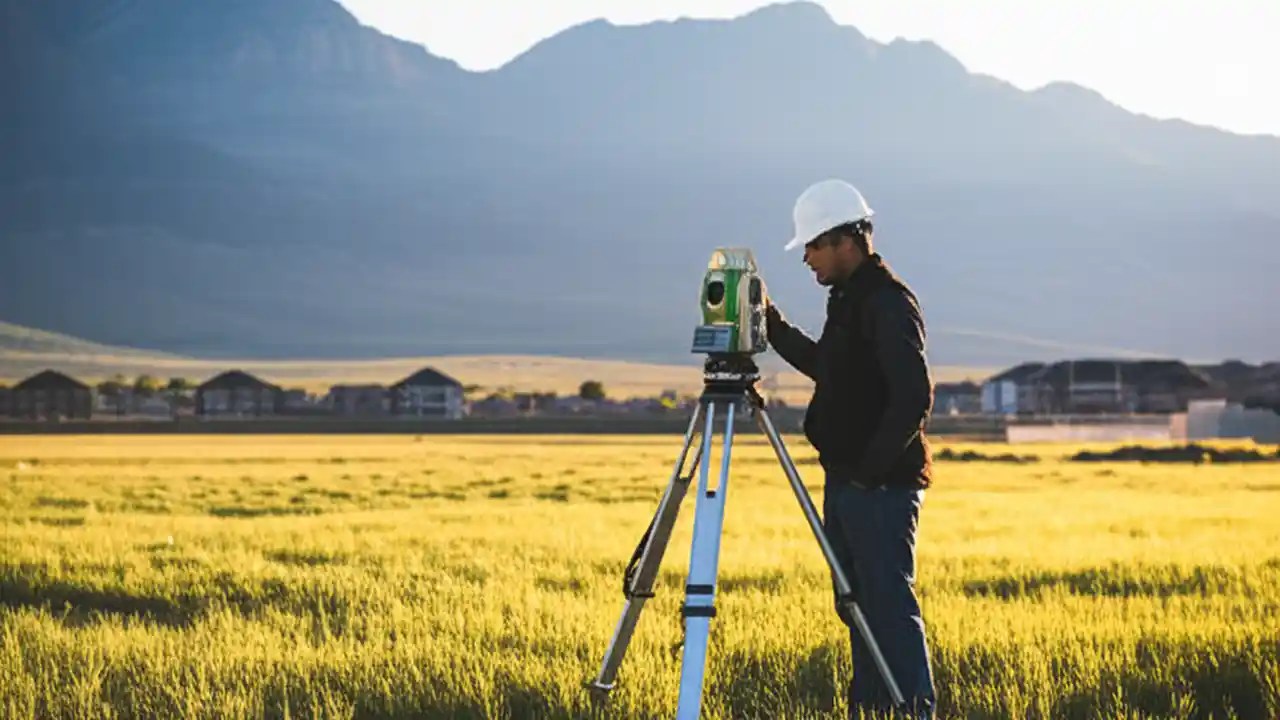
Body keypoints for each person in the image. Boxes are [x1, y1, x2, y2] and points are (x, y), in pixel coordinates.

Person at [764, 179, 937, 718]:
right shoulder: (848, 299)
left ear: (845, 240)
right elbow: (831, 371)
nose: (807, 259)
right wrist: (770, 326)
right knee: (857, 608)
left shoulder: (887, 302)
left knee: (885, 606)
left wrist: (868, 472)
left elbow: (914, 395)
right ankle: (872, 710)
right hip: (849, 481)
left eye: (812, 246)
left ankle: (911, 711)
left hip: (878, 488)